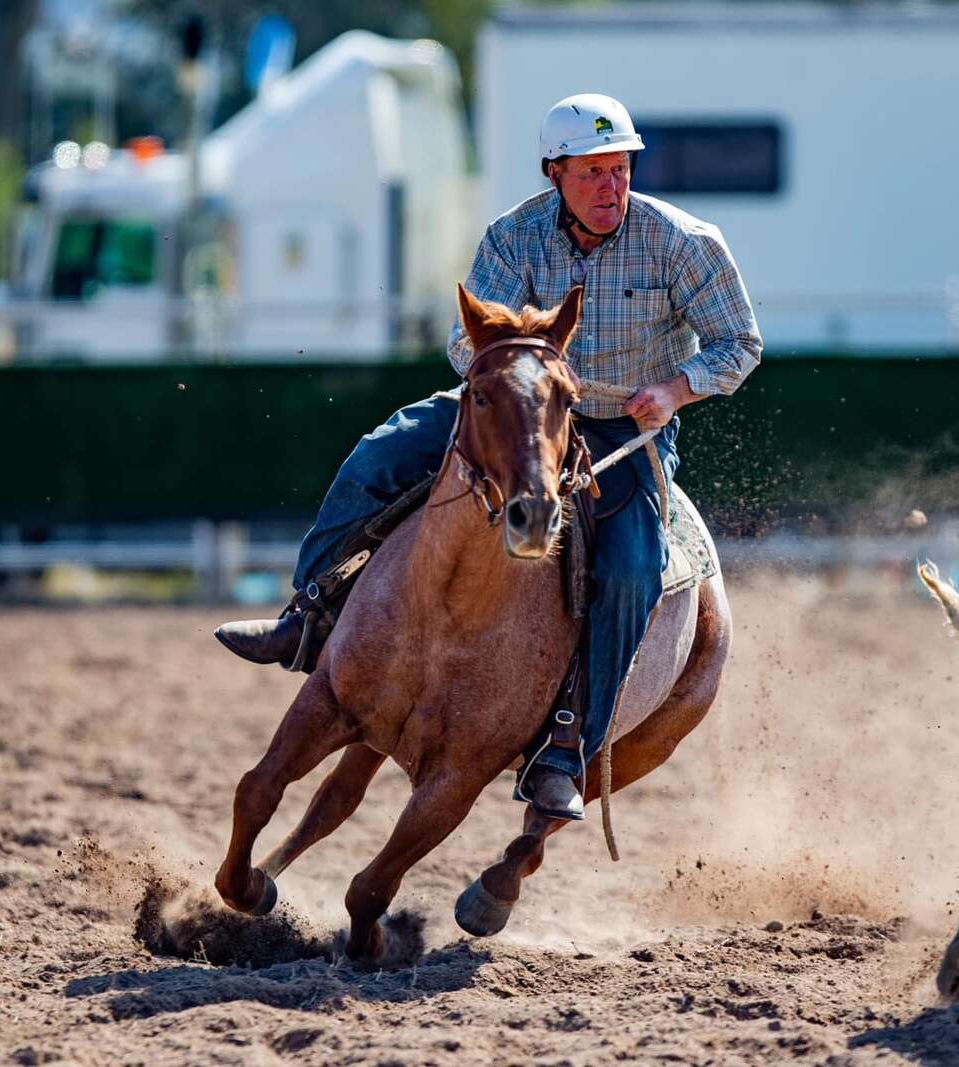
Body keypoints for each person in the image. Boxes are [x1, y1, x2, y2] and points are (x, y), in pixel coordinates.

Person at [215, 93, 762, 821]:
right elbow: (462, 340)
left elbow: (740, 342)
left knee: (632, 569)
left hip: (622, 429)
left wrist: (675, 388)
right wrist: (519, 377)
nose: (611, 187)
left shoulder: (683, 242)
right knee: (378, 455)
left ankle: (566, 745)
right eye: (592, 172)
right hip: (514, 409)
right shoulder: (513, 237)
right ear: (555, 173)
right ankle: (307, 613)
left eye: (621, 168)